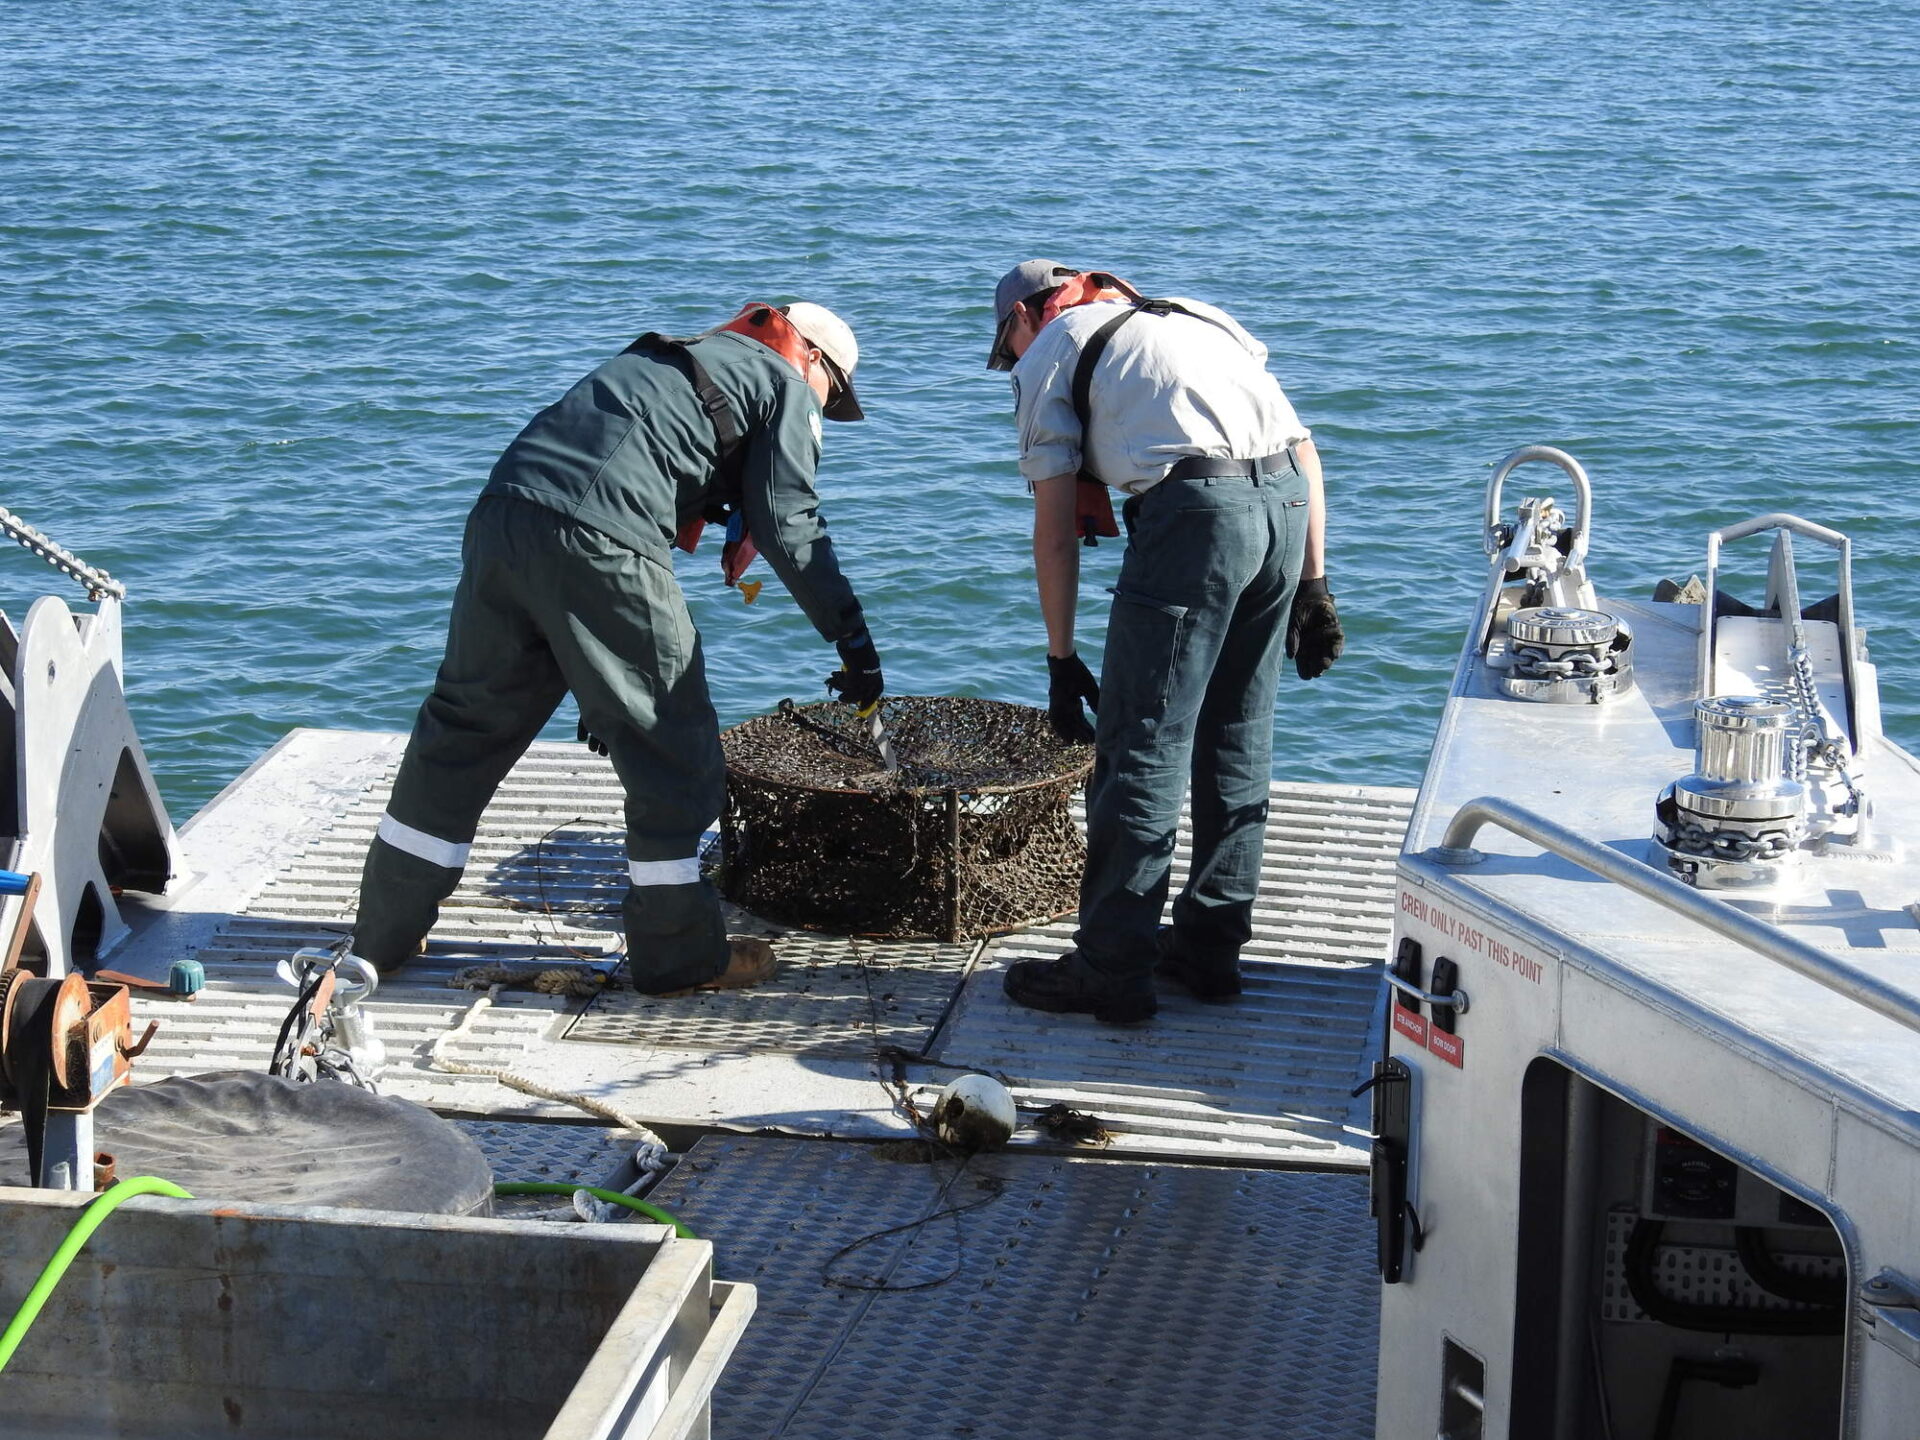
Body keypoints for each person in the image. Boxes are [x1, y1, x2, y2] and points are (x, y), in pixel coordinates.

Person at [345, 299, 885, 994]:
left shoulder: (678, 359)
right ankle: (681, 957)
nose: (825, 412)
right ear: (811, 357)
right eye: (832, 397)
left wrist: (592, 678)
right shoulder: (783, 381)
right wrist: (853, 640)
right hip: (599, 538)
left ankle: (382, 935)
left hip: (503, 515)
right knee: (676, 749)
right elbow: (790, 524)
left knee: (461, 732)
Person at [986, 260, 1343, 1024]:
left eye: (1008, 348)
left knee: (1141, 745)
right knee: (1238, 738)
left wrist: (1060, 658)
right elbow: (1304, 450)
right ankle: (1211, 949)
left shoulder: (1053, 347)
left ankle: (1112, 968)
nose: (1013, 362)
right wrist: (1316, 588)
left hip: (1195, 521)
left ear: (1024, 318)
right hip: (1283, 503)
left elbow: (1055, 534)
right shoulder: (1198, 316)